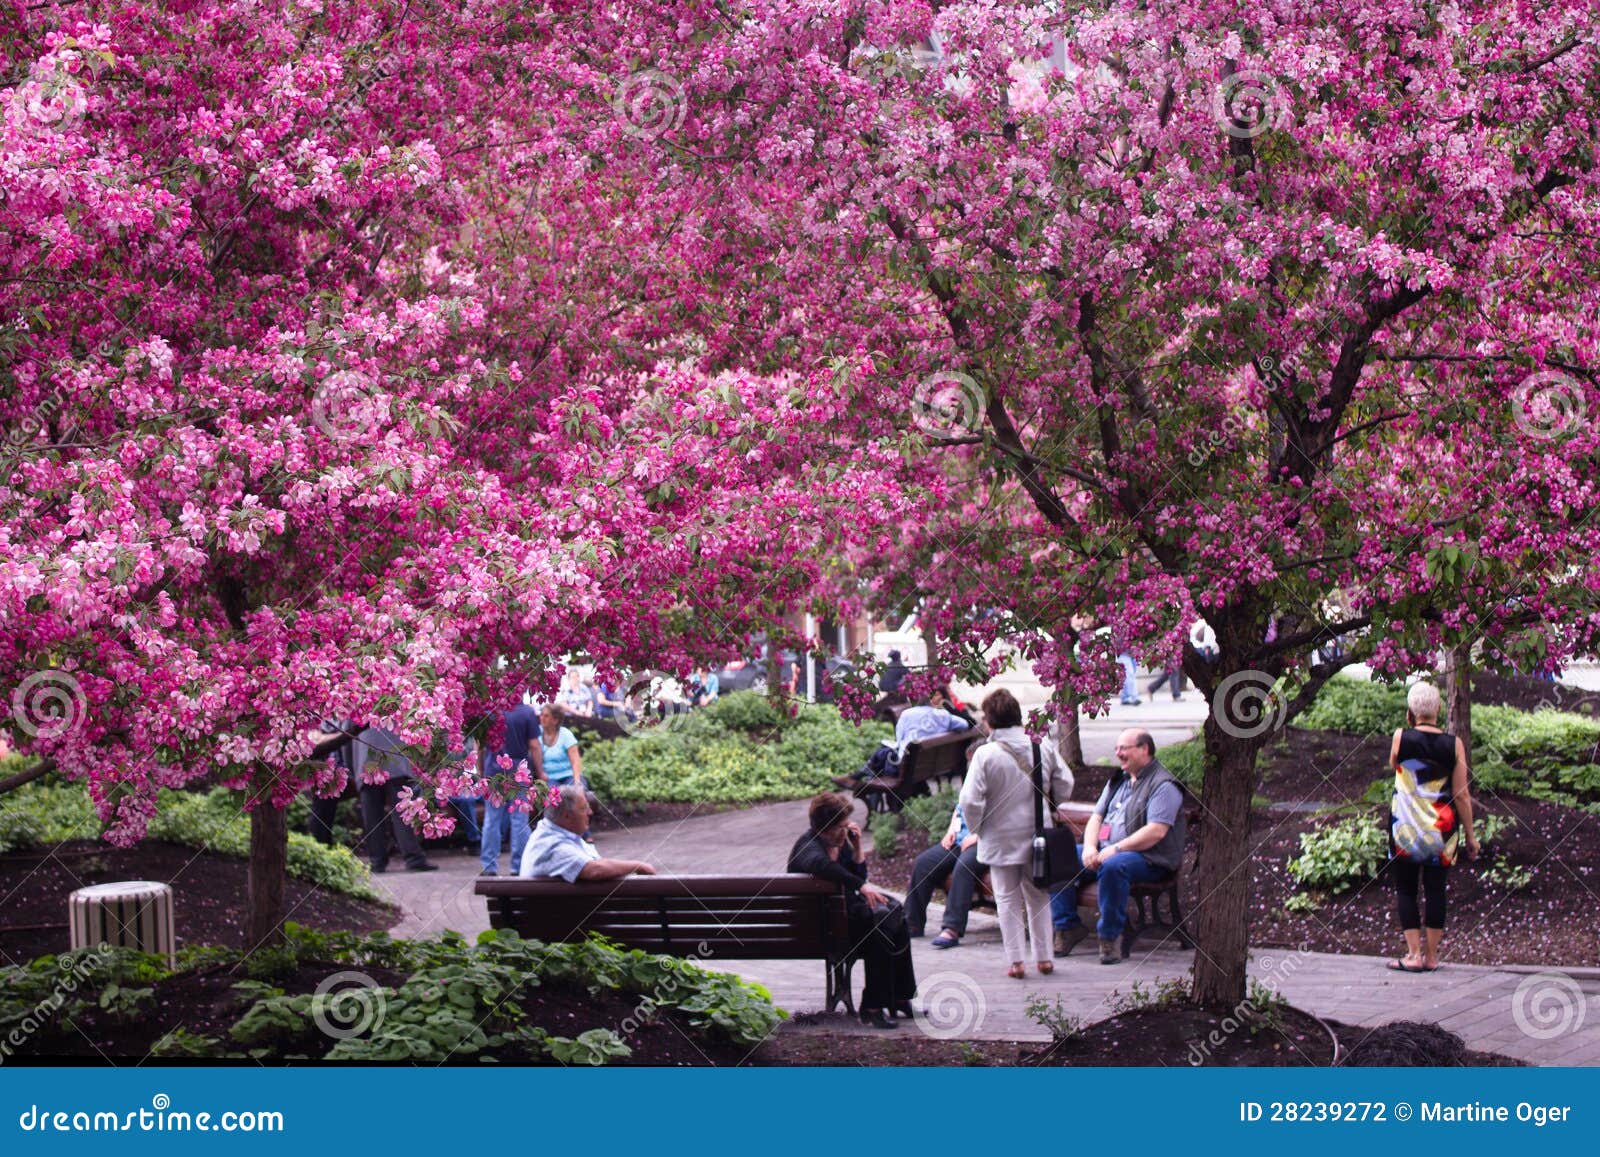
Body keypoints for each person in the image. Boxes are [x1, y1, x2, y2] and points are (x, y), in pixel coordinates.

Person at [958, 689, 1075, 978]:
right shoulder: (1041, 746)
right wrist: (1052, 806)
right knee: (1038, 896)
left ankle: (1016, 962)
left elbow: (969, 801)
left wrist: (977, 826)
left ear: (990, 721)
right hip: (1038, 833)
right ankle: (1045, 958)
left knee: (1007, 899)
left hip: (999, 838)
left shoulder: (985, 754)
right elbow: (1066, 783)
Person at [1050, 728, 1187, 963]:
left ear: (1144, 749)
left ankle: (1109, 938)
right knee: (1059, 858)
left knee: (1114, 866)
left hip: (1151, 859)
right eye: (1117, 748)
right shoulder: (1118, 781)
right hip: (1107, 851)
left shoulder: (1164, 785)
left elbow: (1156, 831)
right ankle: (1067, 927)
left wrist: (1114, 849)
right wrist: (1092, 848)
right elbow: (1096, 818)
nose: (1118, 753)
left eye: (1124, 748)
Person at [787, 792, 916, 1028]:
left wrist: (857, 847)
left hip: (843, 921)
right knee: (879, 928)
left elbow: (858, 875)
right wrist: (861, 886)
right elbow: (822, 866)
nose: (846, 830)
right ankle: (873, 1007)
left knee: (893, 915)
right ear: (825, 827)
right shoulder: (808, 847)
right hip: (820, 929)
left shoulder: (838, 843)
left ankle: (900, 997)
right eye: (841, 826)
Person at [1388, 682, 1477, 973]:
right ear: (1439, 709)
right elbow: (1462, 794)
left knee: (1406, 889)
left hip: (1405, 831)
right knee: (1436, 890)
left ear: (1410, 712)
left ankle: (1413, 955)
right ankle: (1433, 956)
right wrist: (1471, 837)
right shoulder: (1454, 745)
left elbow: (1394, 765)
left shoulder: (1401, 737)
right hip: (1441, 832)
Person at [832, 686, 971, 787]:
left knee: (883, 753)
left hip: (906, 766)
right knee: (884, 755)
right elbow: (965, 725)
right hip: (928, 765)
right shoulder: (944, 715)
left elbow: (899, 741)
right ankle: (856, 777)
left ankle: (856, 778)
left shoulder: (907, 714)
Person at [352, 725, 438, 873]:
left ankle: (377, 861)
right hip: (396, 763)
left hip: (365, 762)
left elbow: (346, 736)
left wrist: (353, 769)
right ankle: (413, 858)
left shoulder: (354, 708)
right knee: (402, 814)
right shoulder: (394, 703)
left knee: (373, 817)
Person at [518, 788, 655, 880]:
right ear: (567, 816)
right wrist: (638, 865)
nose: (590, 813)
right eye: (584, 809)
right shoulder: (550, 845)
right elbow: (594, 869)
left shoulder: (551, 834)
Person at [903, 802, 982, 948]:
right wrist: (951, 830)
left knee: (963, 866)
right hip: (959, 840)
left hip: (986, 842)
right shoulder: (972, 779)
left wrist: (978, 836)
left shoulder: (1002, 781)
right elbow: (960, 807)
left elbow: (1004, 817)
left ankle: (952, 928)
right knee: (923, 863)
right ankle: (911, 924)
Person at [480, 701, 541, 876]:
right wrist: (541, 771)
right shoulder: (527, 712)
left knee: (492, 819)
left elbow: (481, 745)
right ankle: (519, 865)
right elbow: (535, 746)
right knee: (520, 819)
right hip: (519, 769)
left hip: (493, 768)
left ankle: (489, 865)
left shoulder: (489, 710)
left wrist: (482, 771)